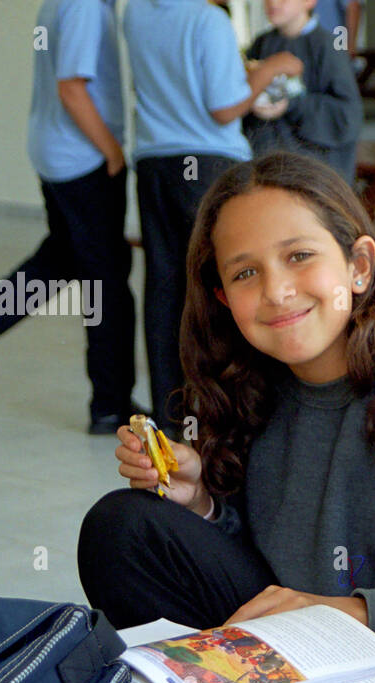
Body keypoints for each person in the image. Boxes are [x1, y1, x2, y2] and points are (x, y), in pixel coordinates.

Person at [78, 151, 375, 683]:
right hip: (287, 662)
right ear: (224, 298)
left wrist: (346, 614)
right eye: (246, 272)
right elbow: (262, 575)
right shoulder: (253, 387)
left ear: (359, 266)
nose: (276, 291)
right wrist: (201, 503)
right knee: (123, 529)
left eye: (299, 255)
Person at [0, 0, 137, 434]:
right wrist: (112, 151)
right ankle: (110, 407)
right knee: (107, 283)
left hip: (56, 152)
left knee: (63, 259)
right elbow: (71, 88)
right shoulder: (85, 7)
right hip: (83, 160)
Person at [122, 0, 286, 434]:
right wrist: (270, 70)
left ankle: (169, 417)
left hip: (155, 163)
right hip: (208, 167)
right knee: (226, 284)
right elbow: (225, 107)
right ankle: (226, 410)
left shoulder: (136, 12)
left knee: (164, 286)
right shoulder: (208, 20)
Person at [243, 0, 362, 185]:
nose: (273, 3)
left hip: (312, 176)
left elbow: (347, 117)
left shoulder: (328, 47)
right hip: (265, 169)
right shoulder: (261, 44)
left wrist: (291, 105)